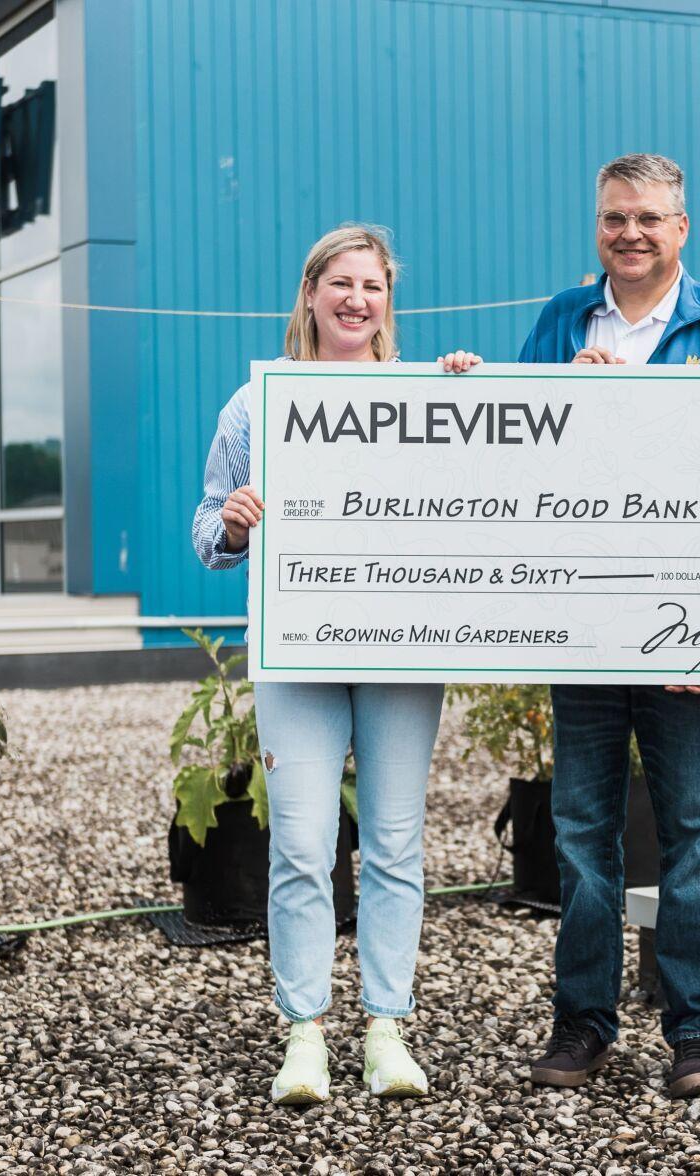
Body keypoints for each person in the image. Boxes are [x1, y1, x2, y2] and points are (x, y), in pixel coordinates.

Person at [192, 224, 481, 1105]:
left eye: (374, 286)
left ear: (389, 302)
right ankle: (306, 1034)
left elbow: (487, 489)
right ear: (311, 292)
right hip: (300, 653)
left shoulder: (426, 394)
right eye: (342, 283)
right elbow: (206, 532)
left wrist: (472, 392)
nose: (358, 300)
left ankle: (386, 1030)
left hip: (401, 650)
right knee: (302, 843)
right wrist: (234, 523)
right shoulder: (256, 407)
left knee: (394, 842)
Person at [517, 153, 700, 1098]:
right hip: (582, 618)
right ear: (598, 226)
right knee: (581, 833)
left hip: (687, 625)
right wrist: (559, 396)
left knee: (693, 830)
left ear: (681, 227)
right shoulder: (561, 321)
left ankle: (699, 1030)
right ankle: (583, 1023)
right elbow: (510, 458)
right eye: (615, 217)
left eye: (649, 218)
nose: (630, 233)